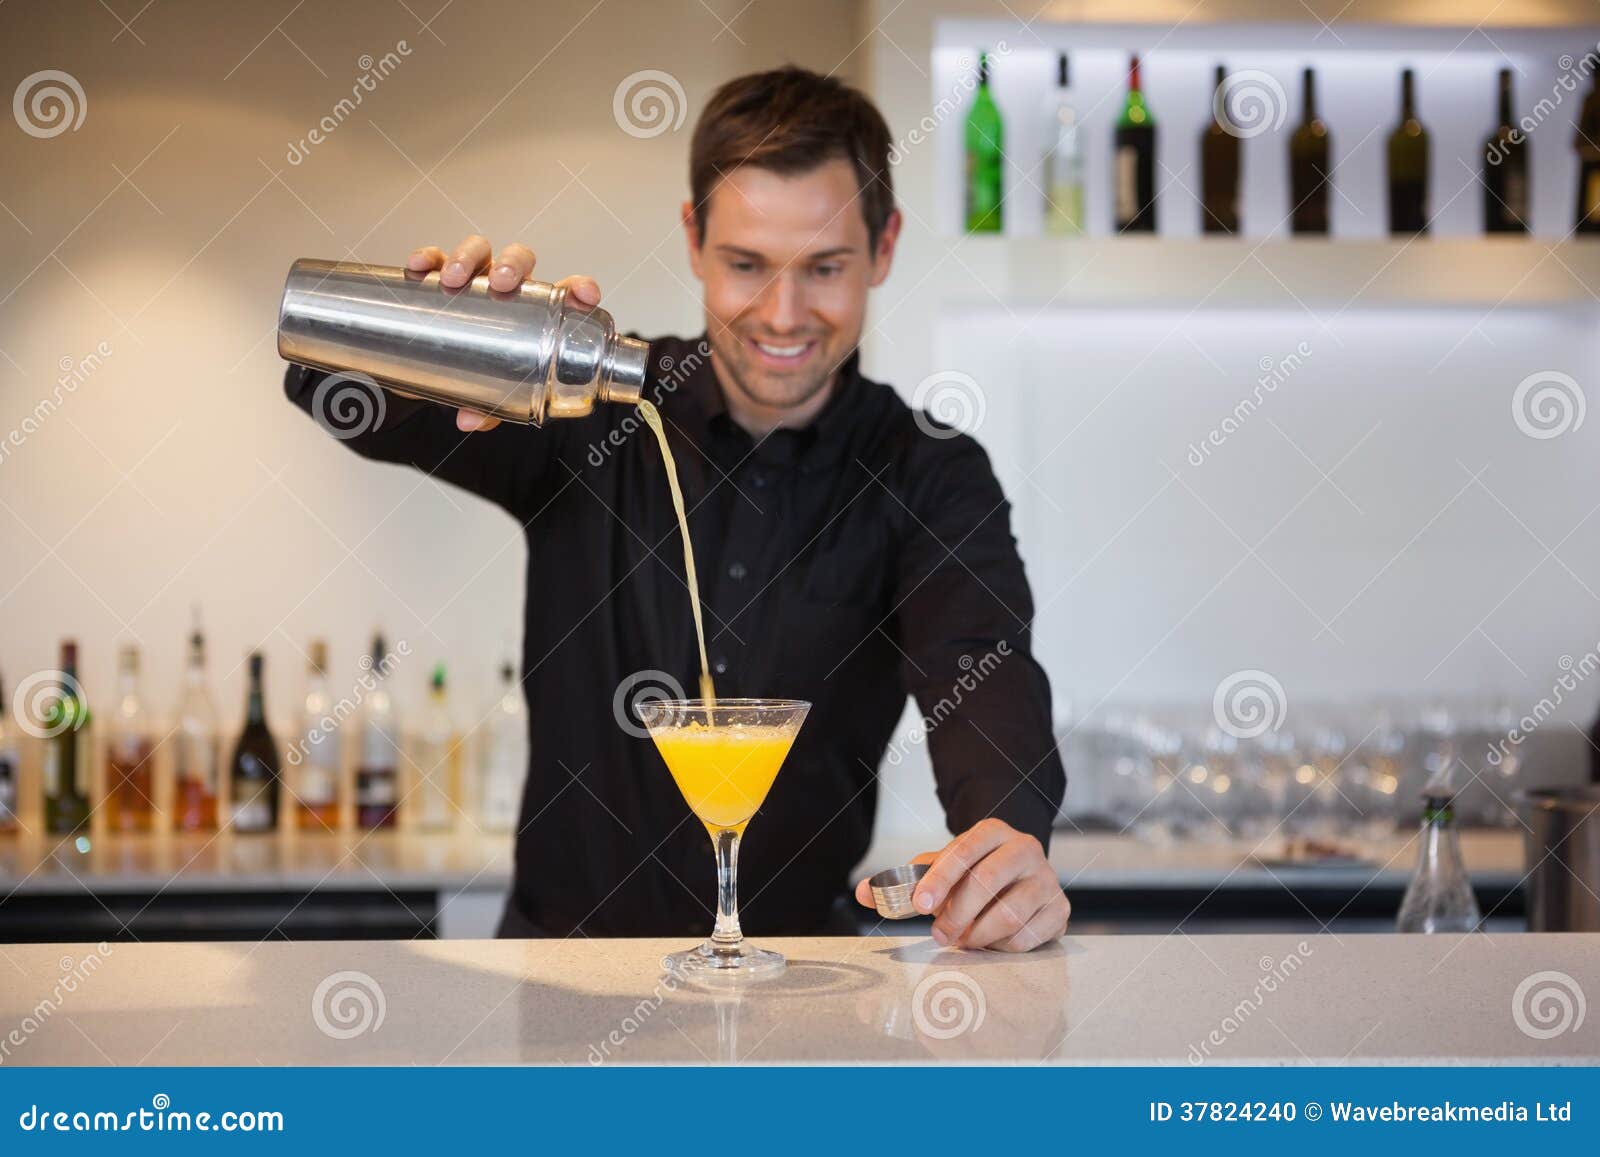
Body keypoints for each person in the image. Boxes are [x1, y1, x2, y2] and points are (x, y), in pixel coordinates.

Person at [284, 66, 1069, 951]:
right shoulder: (581, 408)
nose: (783, 313)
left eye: (825, 267)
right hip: (565, 986)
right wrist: (432, 324)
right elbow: (330, 384)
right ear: (694, 239)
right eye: (746, 264)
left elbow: (983, 667)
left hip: (799, 987)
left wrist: (1007, 835)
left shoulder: (927, 472)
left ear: (884, 247)